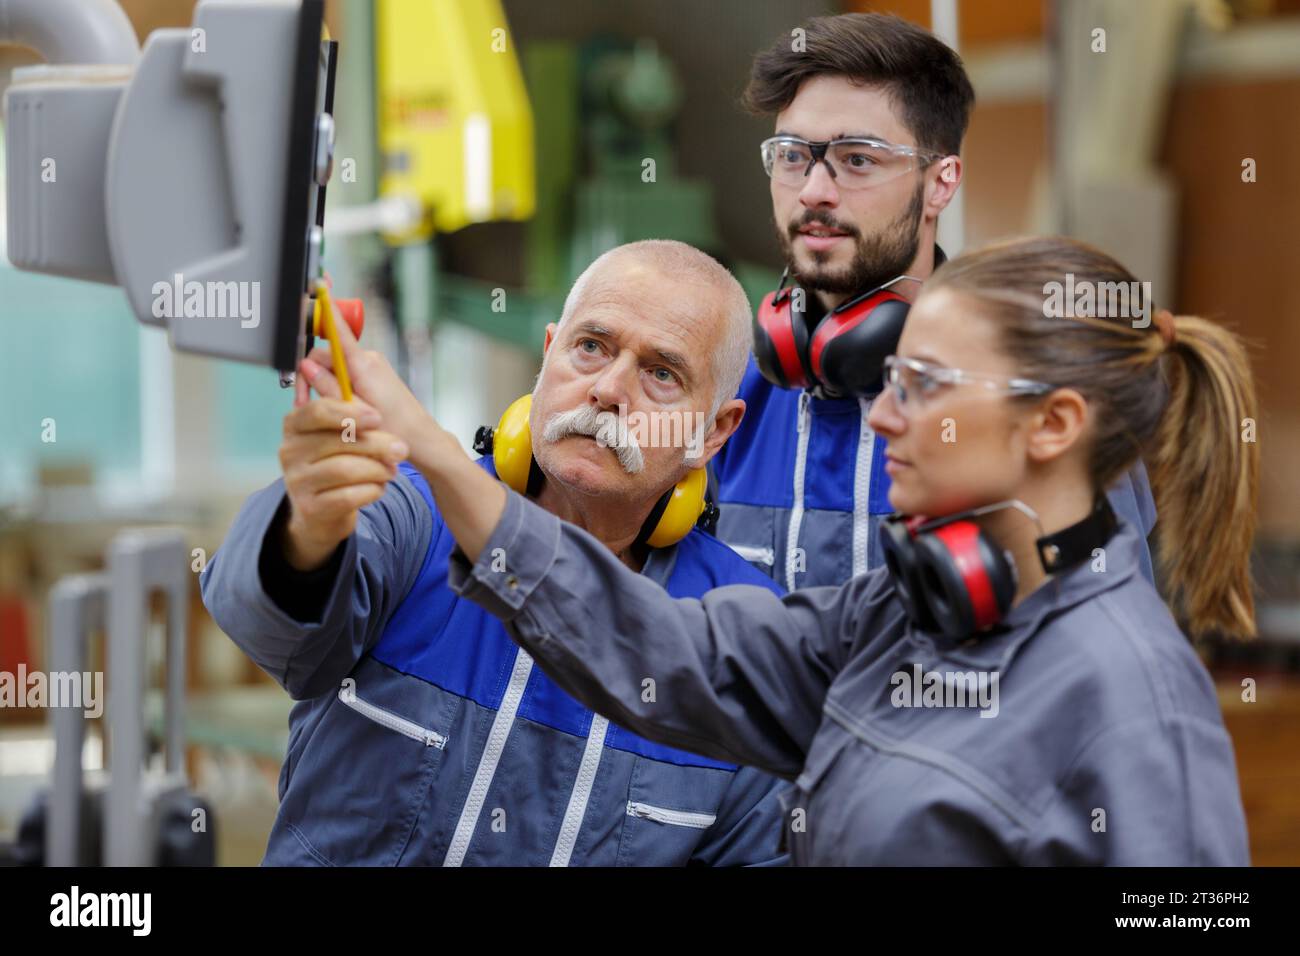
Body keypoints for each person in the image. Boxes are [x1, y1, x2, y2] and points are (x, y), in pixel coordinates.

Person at [347, 235, 1254, 865]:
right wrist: (428, 451)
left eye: (925, 385)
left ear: (1053, 424)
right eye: (893, 381)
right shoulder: (898, 618)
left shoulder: (1135, 695)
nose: (886, 415)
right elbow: (665, 648)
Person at [200, 240, 791, 866]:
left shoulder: (741, 639)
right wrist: (309, 529)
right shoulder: (411, 516)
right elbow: (263, 625)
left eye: (661, 374)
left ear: (715, 432)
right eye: (591, 347)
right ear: (547, 356)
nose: (609, 390)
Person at [712, 13, 1158, 589]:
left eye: (858, 159)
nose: (814, 191)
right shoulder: (730, 400)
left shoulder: (1034, 409)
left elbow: (1097, 654)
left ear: (941, 182)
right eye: (794, 156)